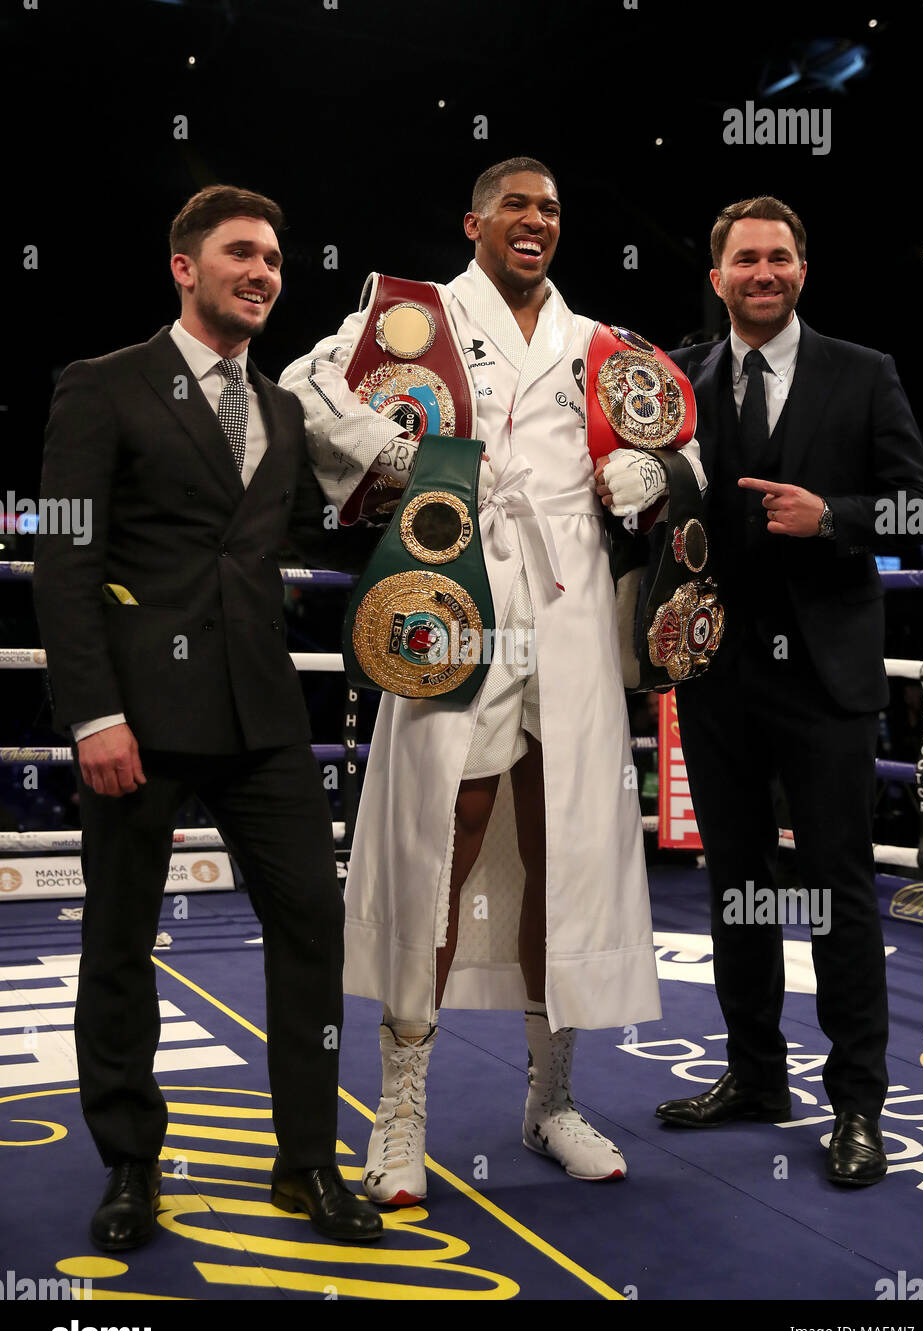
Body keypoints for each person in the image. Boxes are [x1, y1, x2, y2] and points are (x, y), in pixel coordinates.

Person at [281, 156, 704, 1204]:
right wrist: (393, 449)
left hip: (566, 610)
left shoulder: (601, 347)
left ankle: (550, 1098)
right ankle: (401, 1112)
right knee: (440, 842)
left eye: (551, 208)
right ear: (472, 221)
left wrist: (649, 480)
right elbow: (302, 387)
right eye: (515, 204)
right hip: (452, 594)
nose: (535, 220)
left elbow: (681, 445)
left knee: (560, 846)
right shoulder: (411, 318)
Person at [33, 184, 382, 1249]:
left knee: (312, 935)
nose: (264, 272)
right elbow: (63, 558)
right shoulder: (100, 388)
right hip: (138, 711)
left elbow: (299, 544)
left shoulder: (283, 410)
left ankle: (307, 1163)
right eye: (242, 252)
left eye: (275, 258)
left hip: (263, 715)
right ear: (183, 266)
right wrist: (92, 713)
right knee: (120, 941)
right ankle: (132, 1165)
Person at [655, 195, 923, 1185]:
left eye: (778, 257)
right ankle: (753, 1074)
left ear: (801, 270)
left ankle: (856, 1101)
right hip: (716, 670)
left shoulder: (862, 374)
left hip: (823, 675)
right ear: (716, 273)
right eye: (744, 259)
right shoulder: (679, 378)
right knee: (734, 885)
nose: (761, 272)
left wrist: (831, 517)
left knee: (837, 890)